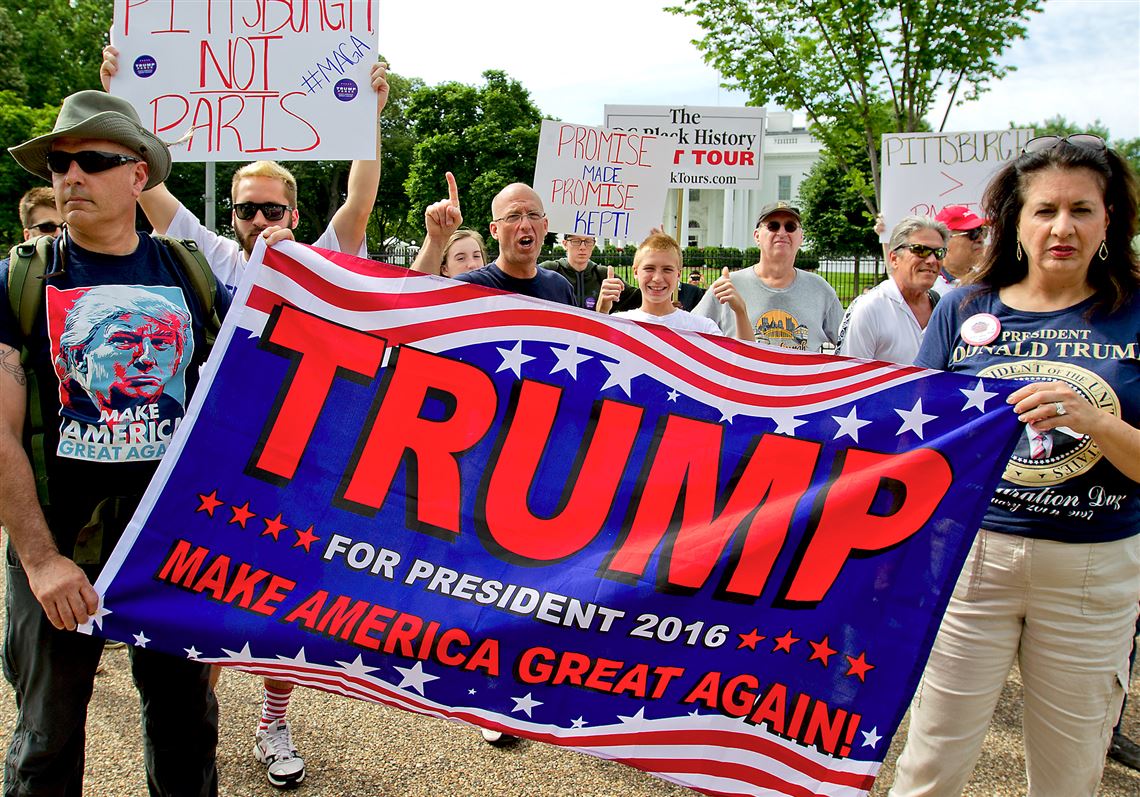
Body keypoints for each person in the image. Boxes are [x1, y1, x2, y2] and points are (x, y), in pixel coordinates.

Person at [888, 134, 1140, 796]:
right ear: (1016, 221)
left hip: (1093, 574)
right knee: (930, 762)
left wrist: (1096, 421)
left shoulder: (1137, 310)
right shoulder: (965, 306)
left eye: (1082, 209)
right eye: (1045, 209)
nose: (1063, 226)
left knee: (1068, 772)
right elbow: (916, 441)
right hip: (972, 564)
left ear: (1109, 218)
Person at [1, 90, 232, 797]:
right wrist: (40, 560)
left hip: (173, 554)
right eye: (60, 162)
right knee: (46, 740)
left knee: (185, 733)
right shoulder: (20, 278)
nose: (70, 175)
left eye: (92, 160)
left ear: (138, 175)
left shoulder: (193, 278)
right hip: (62, 550)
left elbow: (244, 405)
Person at [100, 46, 388, 296]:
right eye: (247, 210)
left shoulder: (317, 263)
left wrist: (368, 115)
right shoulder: (213, 258)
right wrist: (124, 100)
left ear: (294, 215)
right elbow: (148, 187)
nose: (260, 220)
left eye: (273, 210)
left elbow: (359, 205)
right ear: (232, 215)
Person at [691, 201, 842, 351]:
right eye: (773, 226)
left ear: (801, 237)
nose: (782, 233)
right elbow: (689, 337)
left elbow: (849, 346)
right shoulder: (727, 287)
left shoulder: (820, 289)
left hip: (802, 376)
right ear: (757, 236)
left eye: (790, 227)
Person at [411, 173, 574, 305]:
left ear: (545, 226)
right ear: (495, 230)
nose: (525, 224)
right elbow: (413, 306)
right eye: (513, 216)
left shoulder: (560, 288)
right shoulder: (470, 287)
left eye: (533, 215)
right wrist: (436, 239)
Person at [597, 233, 752, 341]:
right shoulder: (617, 323)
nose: (657, 278)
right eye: (649, 268)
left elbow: (743, 365)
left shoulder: (702, 328)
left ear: (678, 274)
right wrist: (601, 313)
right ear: (636, 272)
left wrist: (740, 311)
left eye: (667, 270)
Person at [836, 216, 948, 363]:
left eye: (939, 252)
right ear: (894, 259)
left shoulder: (943, 307)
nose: (932, 260)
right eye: (920, 250)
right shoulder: (869, 308)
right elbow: (848, 376)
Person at [540, 233, 636, 311]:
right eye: (576, 241)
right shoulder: (550, 270)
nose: (582, 247)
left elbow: (640, 299)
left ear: (593, 245)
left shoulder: (603, 275)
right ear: (565, 244)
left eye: (588, 241)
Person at [933, 204, 988, 294]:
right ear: (944, 241)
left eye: (982, 231)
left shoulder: (988, 280)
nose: (980, 239)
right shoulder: (929, 287)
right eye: (973, 233)